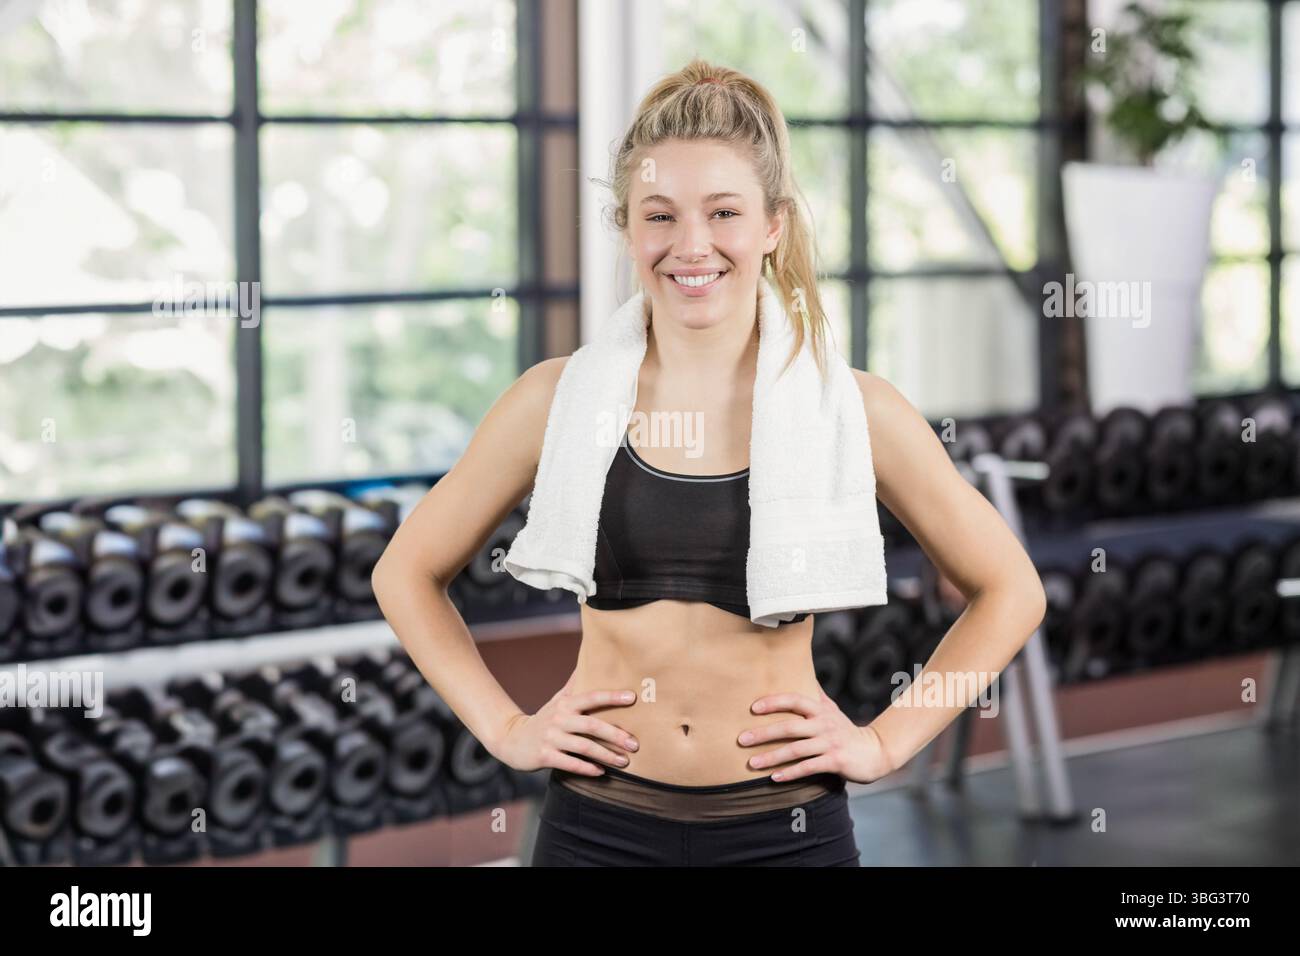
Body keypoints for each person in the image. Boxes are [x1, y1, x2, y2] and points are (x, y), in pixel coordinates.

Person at [371, 59, 1047, 867]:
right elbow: (405, 572)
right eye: (661, 216)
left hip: (784, 830)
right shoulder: (557, 401)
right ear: (628, 228)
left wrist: (883, 743)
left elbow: (1011, 590)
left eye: (723, 212)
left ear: (773, 226)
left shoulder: (852, 408)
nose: (692, 246)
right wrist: (508, 728)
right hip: (598, 825)